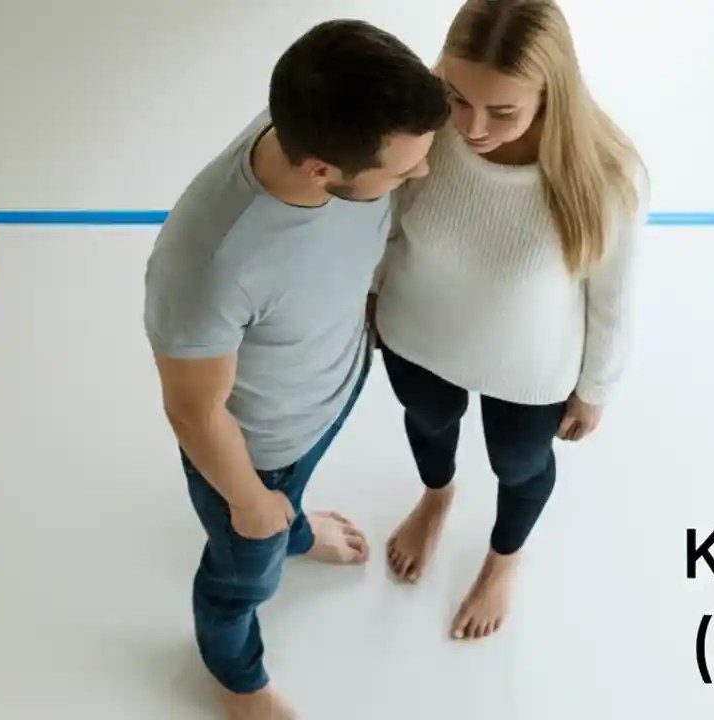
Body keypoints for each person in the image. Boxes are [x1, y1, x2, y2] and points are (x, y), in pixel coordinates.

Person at [143, 19, 449, 720]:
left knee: (288, 512)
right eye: (403, 172)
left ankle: (297, 526)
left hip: (325, 393)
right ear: (321, 170)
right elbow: (193, 411)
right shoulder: (210, 265)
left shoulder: (326, 120)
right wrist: (252, 506)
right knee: (239, 582)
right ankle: (239, 683)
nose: (422, 175)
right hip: (260, 455)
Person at [370, 0, 650, 641]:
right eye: (458, 97)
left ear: (551, 95)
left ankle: (504, 558)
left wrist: (596, 386)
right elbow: (383, 224)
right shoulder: (426, 127)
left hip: (529, 370)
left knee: (519, 464)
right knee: (429, 421)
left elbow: (615, 297)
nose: (471, 126)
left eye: (502, 111)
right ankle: (437, 497)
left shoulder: (606, 176)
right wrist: (370, 293)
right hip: (416, 333)